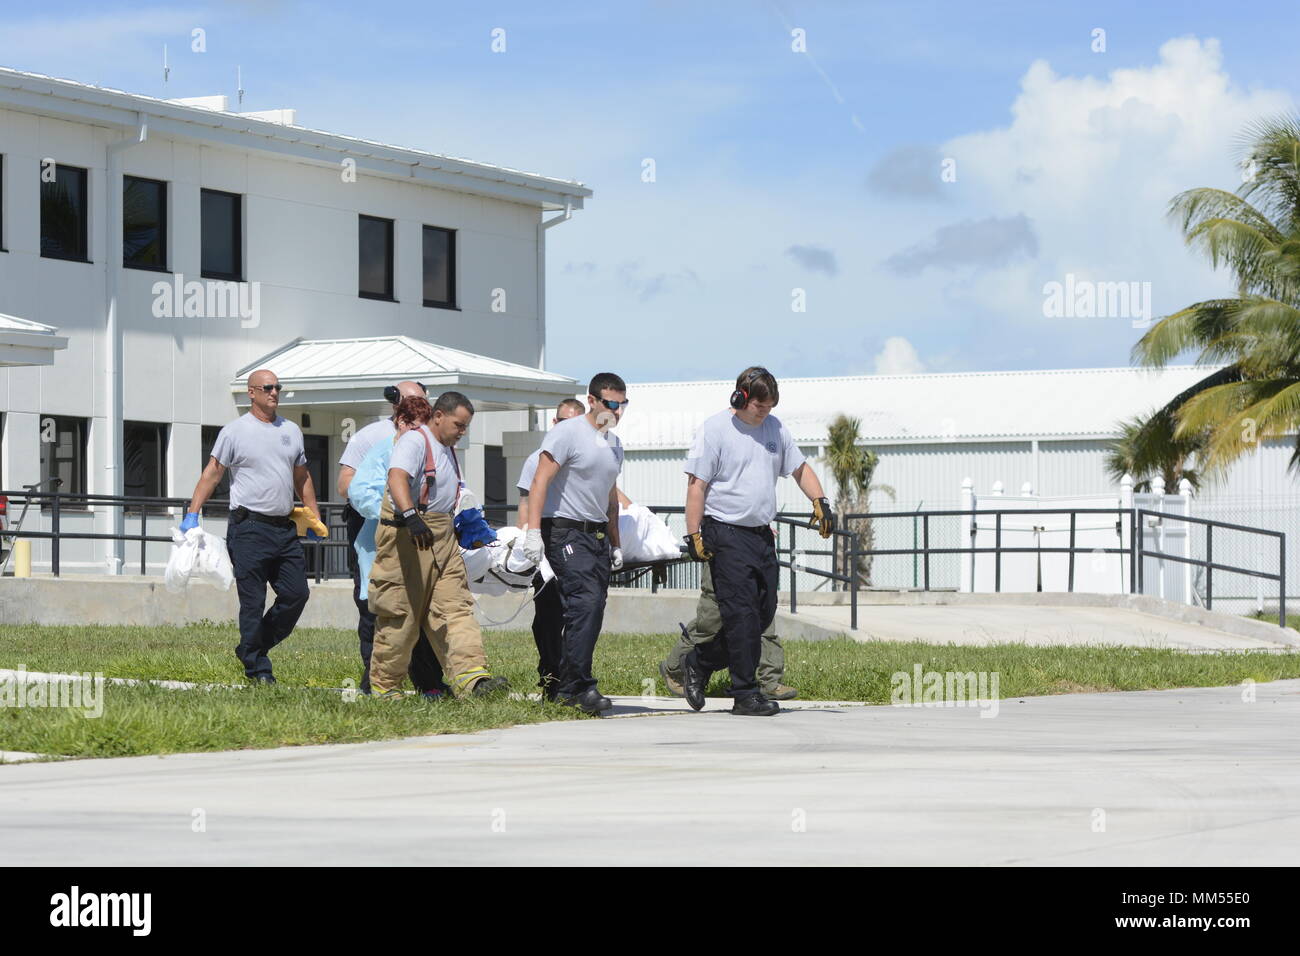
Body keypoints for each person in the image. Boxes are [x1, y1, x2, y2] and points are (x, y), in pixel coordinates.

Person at [679, 366, 835, 716]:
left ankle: (699, 662)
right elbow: (696, 486)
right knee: (741, 616)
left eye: (770, 407)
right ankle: (745, 694)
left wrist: (820, 501)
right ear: (740, 398)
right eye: (760, 406)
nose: (765, 413)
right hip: (725, 532)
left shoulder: (775, 429)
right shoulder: (714, 430)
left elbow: (799, 468)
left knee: (760, 615)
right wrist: (694, 535)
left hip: (762, 536)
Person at [367, 392, 509, 699]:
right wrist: (410, 516)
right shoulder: (415, 441)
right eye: (458, 425)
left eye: (466, 426)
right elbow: (396, 478)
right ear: (439, 416)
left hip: (442, 537)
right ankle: (384, 686)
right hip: (407, 537)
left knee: (455, 608)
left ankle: (473, 680)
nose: (462, 432)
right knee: (400, 613)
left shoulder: (448, 450)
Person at [183, 369, 320, 684]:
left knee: (296, 594)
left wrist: (313, 514)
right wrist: (193, 513)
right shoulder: (234, 432)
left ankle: (251, 647)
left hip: (284, 528)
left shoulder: (292, 431)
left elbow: (302, 476)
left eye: (278, 388)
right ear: (252, 393)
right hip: (249, 529)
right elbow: (213, 474)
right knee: (253, 601)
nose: (274, 393)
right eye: (268, 388)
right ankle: (258, 669)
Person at [522, 374, 627, 714]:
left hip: (595, 535)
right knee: (586, 603)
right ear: (593, 400)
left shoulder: (614, 444)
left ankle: (564, 683)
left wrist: (616, 543)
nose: (617, 411)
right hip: (565, 531)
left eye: (622, 404)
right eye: (611, 404)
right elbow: (540, 481)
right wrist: (533, 532)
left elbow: (610, 496)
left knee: (591, 609)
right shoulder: (567, 433)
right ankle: (577, 686)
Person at [336, 381, 448, 697]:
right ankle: (376, 684)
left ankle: (429, 684)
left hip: (419, 542)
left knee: (421, 613)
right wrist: (396, 513)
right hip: (378, 542)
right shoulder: (375, 442)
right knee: (378, 613)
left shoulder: (433, 446)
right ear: (398, 414)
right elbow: (351, 487)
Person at [516, 398, 584, 699]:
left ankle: (572, 677)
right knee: (548, 616)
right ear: (554, 423)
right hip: (545, 538)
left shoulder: (587, 455)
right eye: (563, 422)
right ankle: (551, 677)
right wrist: (527, 542)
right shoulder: (537, 459)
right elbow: (526, 503)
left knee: (577, 613)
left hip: (577, 541)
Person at [659, 563, 799, 700]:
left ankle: (770, 681)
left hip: (756, 552)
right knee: (711, 621)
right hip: (721, 553)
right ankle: (675, 669)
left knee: (762, 616)